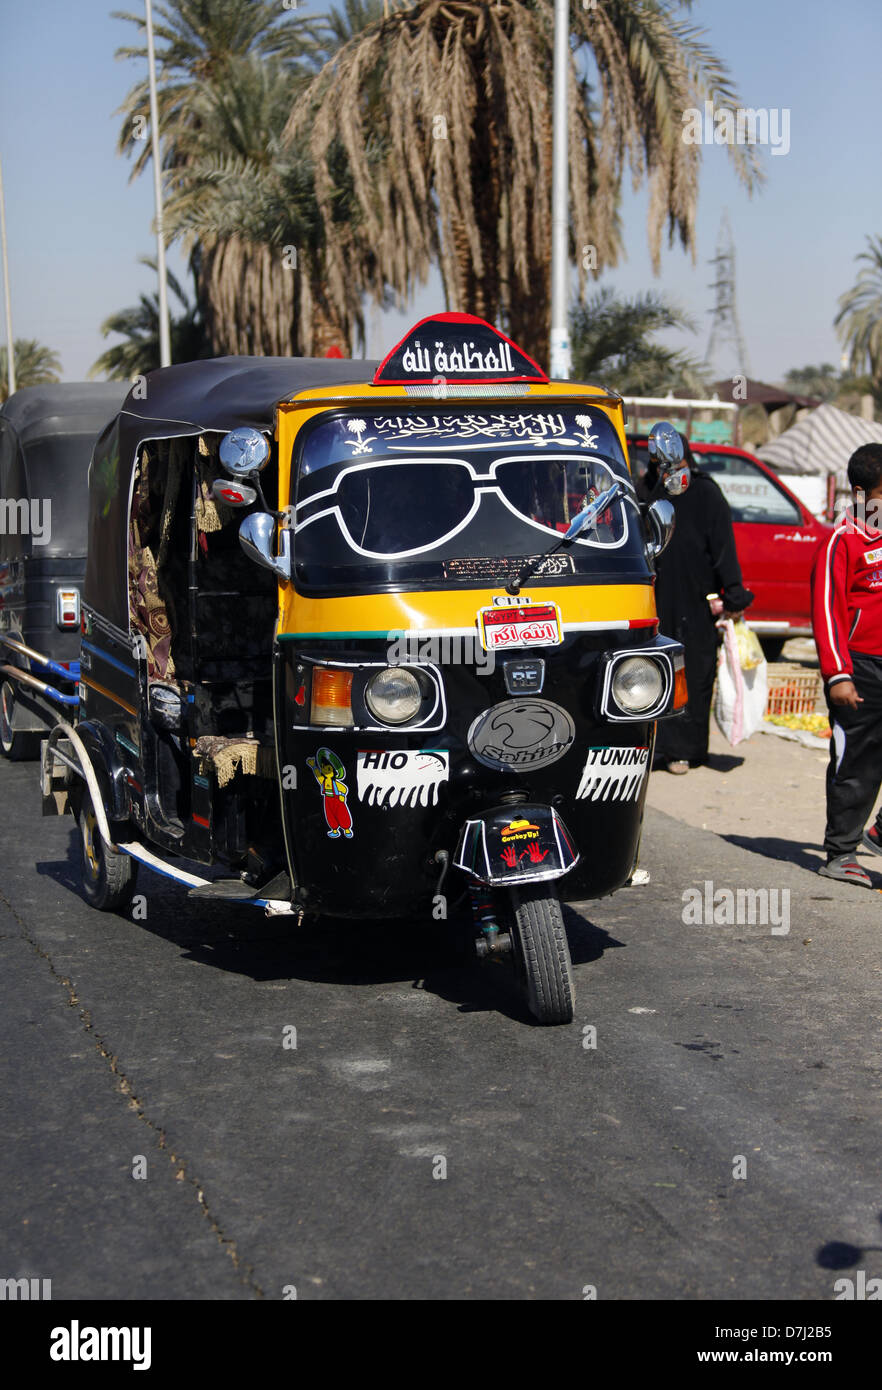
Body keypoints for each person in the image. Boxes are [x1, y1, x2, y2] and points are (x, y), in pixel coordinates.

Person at [638, 432, 754, 772]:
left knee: (694, 673)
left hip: (695, 600)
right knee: (653, 673)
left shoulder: (705, 493)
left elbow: (722, 549)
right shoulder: (647, 490)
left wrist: (733, 593)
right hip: (655, 599)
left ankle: (684, 749)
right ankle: (655, 747)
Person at [811, 442, 882, 886]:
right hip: (859, 670)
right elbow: (826, 609)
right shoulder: (843, 538)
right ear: (860, 493)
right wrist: (838, 674)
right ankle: (840, 853)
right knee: (857, 765)